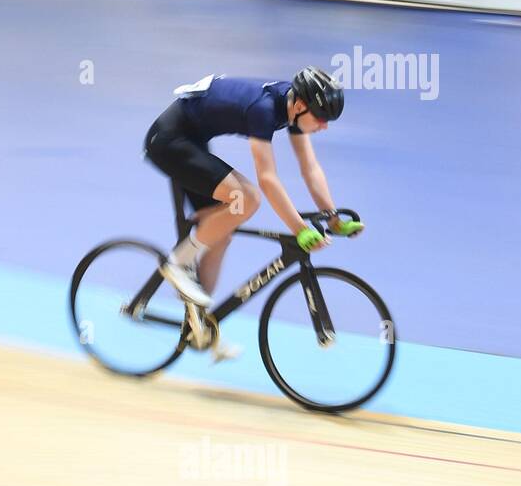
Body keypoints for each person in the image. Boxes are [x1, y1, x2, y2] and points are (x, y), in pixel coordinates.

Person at [144, 67, 363, 352]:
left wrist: (333, 218)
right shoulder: (264, 110)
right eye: (321, 119)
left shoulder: (293, 106)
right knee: (247, 198)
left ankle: (199, 327)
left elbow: (310, 168)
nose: (324, 126)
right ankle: (178, 263)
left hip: (192, 143)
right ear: (300, 106)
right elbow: (268, 179)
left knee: (221, 233)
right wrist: (299, 229)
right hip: (168, 142)